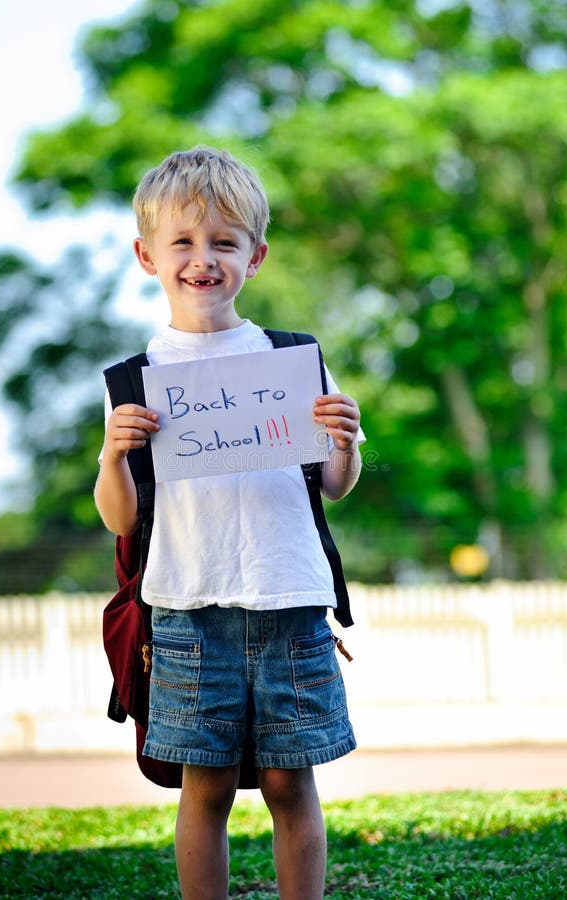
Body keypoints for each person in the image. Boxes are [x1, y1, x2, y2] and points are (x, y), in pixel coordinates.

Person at [95, 146, 363, 900]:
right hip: (186, 607)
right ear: (148, 255)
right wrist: (114, 456)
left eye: (224, 242)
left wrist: (342, 440)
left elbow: (335, 486)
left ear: (256, 255)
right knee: (203, 786)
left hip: (290, 599)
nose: (202, 259)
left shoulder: (292, 359)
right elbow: (121, 517)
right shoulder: (134, 380)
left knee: (289, 780)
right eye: (182, 242)